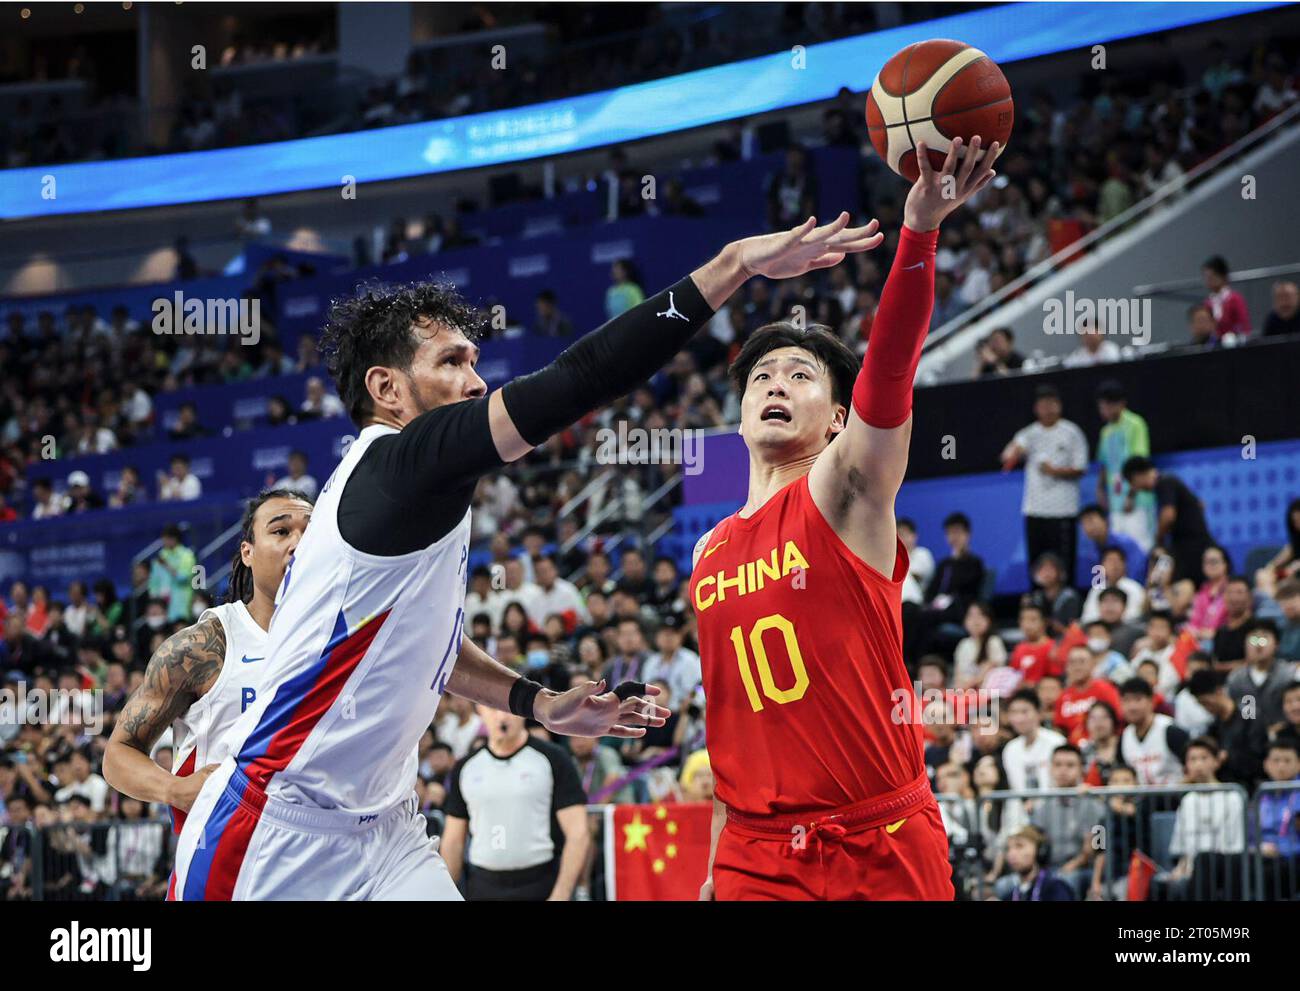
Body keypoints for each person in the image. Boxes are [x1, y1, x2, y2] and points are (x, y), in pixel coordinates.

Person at [172, 178, 871, 901]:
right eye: (451, 362)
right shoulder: (399, 462)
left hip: (385, 828)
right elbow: (580, 377)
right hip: (273, 833)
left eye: (475, 360)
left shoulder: (409, 493)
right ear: (386, 388)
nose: (477, 381)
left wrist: (538, 703)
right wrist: (733, 265)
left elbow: (432, 651)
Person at [691, 134, 1000, 902]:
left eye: (800, 374)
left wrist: (920, 229)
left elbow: (890, 369)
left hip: (879, 840)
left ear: (836, 417)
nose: (774, 382)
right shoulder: (707, 547)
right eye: (761, 374)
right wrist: (714, 859)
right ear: (737, 416)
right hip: (756, 853)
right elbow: (733, 723)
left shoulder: (844, 491)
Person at [102, 490, 312, 893]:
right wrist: (175, 789)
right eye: (281, 530)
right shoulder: (206, 644)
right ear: (247, 552)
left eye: (309, 530)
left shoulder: (347, 636)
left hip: (323, 866)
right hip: (224, 867)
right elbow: (118, 754)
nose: (298, 542)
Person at [440, 704, 590, 901]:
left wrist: (561, 893)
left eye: (508, 709)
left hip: (540, 882)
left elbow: (578, 832)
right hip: (482, 884)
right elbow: (453, 840)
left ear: (522, 711)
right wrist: (445, 893)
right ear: (480, 711)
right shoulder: (467, 767)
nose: (501, 717)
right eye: (493, 709)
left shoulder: (553, 758)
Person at [1000, 384, 1088, 586]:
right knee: (1036, 564)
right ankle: (1037, 610)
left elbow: (1081, 468)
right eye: (1043, 404)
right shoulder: (1028, 433)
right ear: (1036, 409)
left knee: (1065, 565)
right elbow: (1008, 455)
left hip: (1063, 511)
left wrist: (1053, 471)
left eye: (1051, 404)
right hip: (1035, 511)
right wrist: (1015, 451)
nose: (1047, 409)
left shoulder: (1072, 432)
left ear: (1059, 406)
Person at [1122, 456, 1214, 586]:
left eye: (1132, 483)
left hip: (1192, 547)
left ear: (1136, 476)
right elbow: (1201, 505)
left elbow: (1168, 515)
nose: (1136, 488)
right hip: (1192, 544)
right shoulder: (1170, 483)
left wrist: (1158, 538)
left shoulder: (1165, 483)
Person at [1094, 380, 1154, 551]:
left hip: (1137, 499)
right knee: (1118, 548)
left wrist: (1131, 495)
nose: (1103, 411)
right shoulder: (1105, 432)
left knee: (1141, 546)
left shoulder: (1135, 424)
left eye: (1105, 406)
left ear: (1119, 404)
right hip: (1115, 501)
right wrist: (1099, 489)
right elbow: (1105, 464)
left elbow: (1139, 464)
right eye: (1101, 407)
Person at [1119, 678, 1188, 787]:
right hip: (1140, 801)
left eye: (1137, 699)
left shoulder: (1170, 731)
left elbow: (1193, 767)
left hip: (1174, 799)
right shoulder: (1124, 737)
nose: (1132, 707)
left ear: (1151, 701)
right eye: (1126, 700)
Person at [1077, 504, 1147, 590]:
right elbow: (1098, 583)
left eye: (1091, 520)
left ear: (1105, 521)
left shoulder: (1126, 543)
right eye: (1084, 523)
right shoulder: (1091, 553)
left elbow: (1137, 571)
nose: (1089, 527)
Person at [998, 825, 1076, 901]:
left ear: (1040, 851)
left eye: (1019, 846)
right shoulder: (1009, 896)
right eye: (1008, 848)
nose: (1011, 853)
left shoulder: (1056, 889)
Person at [1201, 255, 1250, 340]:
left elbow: (1244, 326)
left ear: (1222, 276)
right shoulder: (1207, 303)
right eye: (1206, 278)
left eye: (1211, 277)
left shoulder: (1235, 299)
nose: (1208, 281)